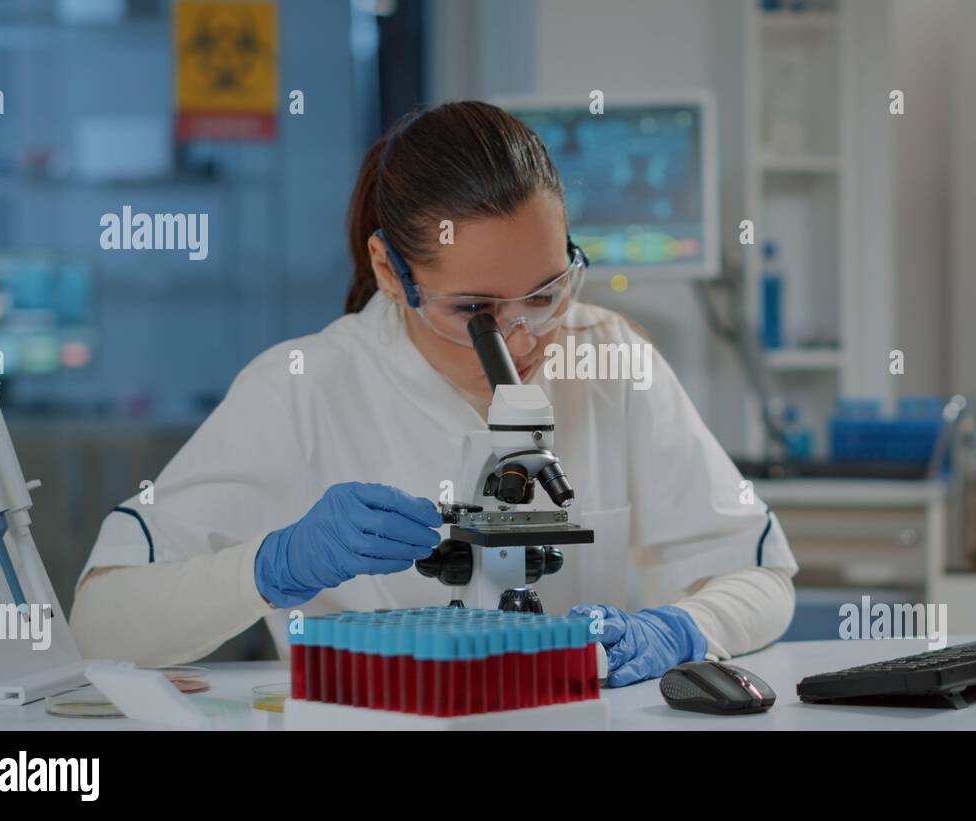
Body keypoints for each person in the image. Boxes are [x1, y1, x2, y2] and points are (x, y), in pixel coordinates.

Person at [70, 101, 796, 687]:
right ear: (390, 270)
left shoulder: (607, 355)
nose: (520, 341)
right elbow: (100, 623)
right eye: (474, 311)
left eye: (545, 293)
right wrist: (270, 565)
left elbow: (762, 576)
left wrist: (680, 630)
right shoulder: (300, 388)